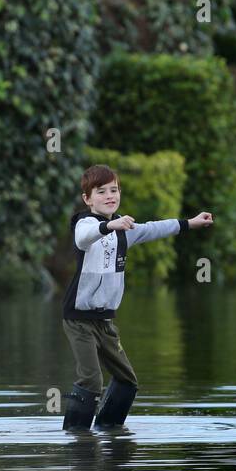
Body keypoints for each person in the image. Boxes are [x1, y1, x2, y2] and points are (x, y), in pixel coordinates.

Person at [62, 164, 213, 431]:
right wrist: (109, 225)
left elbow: (155, 228)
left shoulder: (125, 231)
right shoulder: (84, 223)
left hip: (106, 321)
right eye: (101, 191)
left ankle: (107, 430)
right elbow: (84, 237)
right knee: (91, 381)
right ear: (87, 198)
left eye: (114, 190)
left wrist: (190, 223)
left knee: (127, 380)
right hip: (79, 320)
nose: (110, 195)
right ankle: (75, 438)